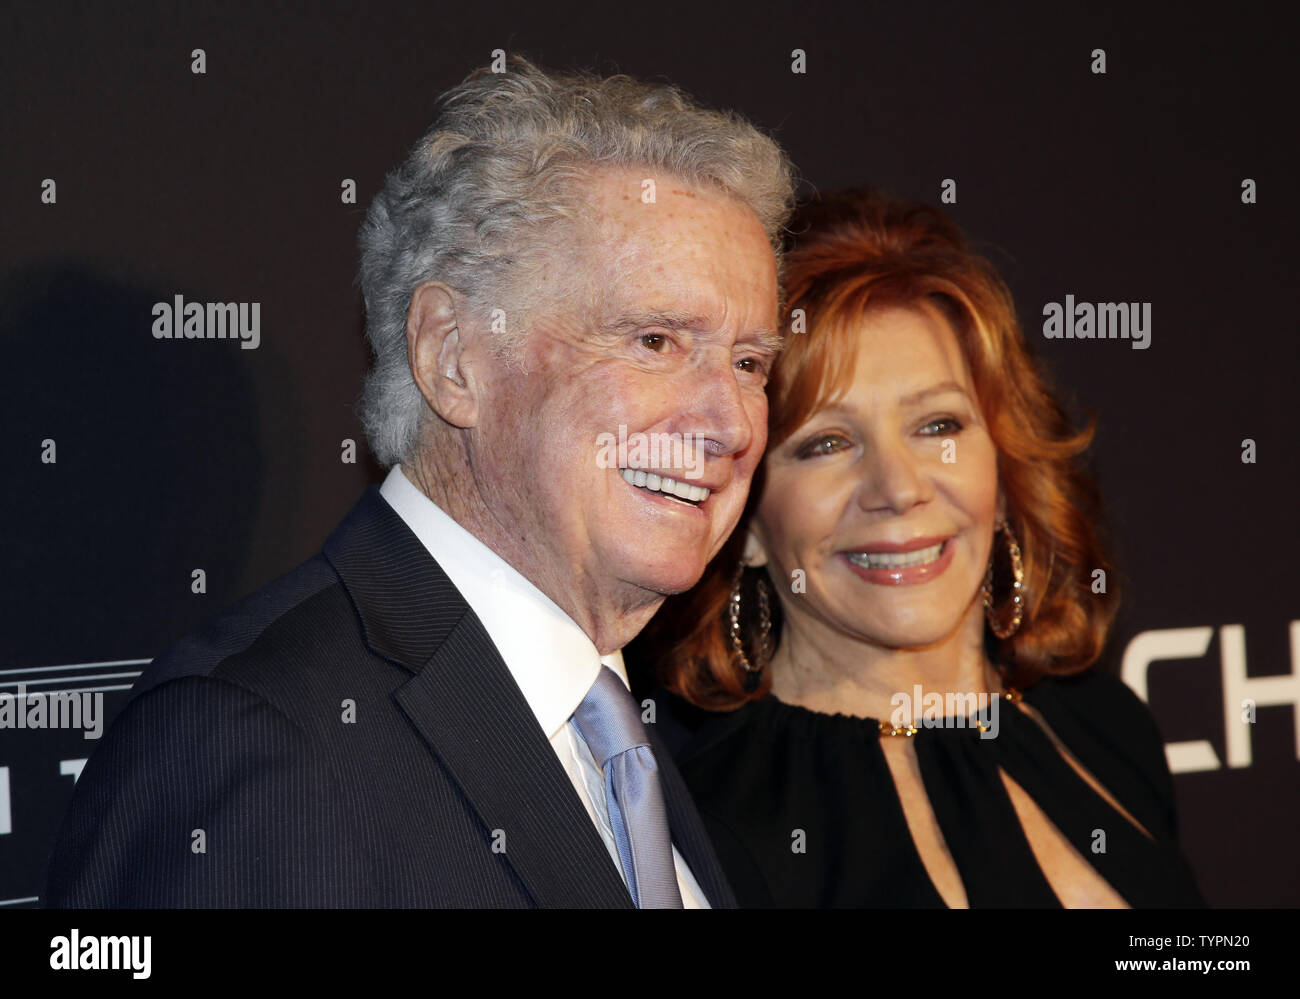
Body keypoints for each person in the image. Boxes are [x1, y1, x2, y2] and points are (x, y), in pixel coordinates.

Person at [43, 55, 796, 908]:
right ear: (453, 357)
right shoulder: (257, 739)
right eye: (655, 341)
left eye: (747, 362)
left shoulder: (632, 737)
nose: (731, 423)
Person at [638, 189, 1204, 907]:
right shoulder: (701, 830)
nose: (897, 488)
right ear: (747, 521)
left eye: (938, 426)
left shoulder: (1104, 726)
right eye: (827, 443)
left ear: (1003, 471)